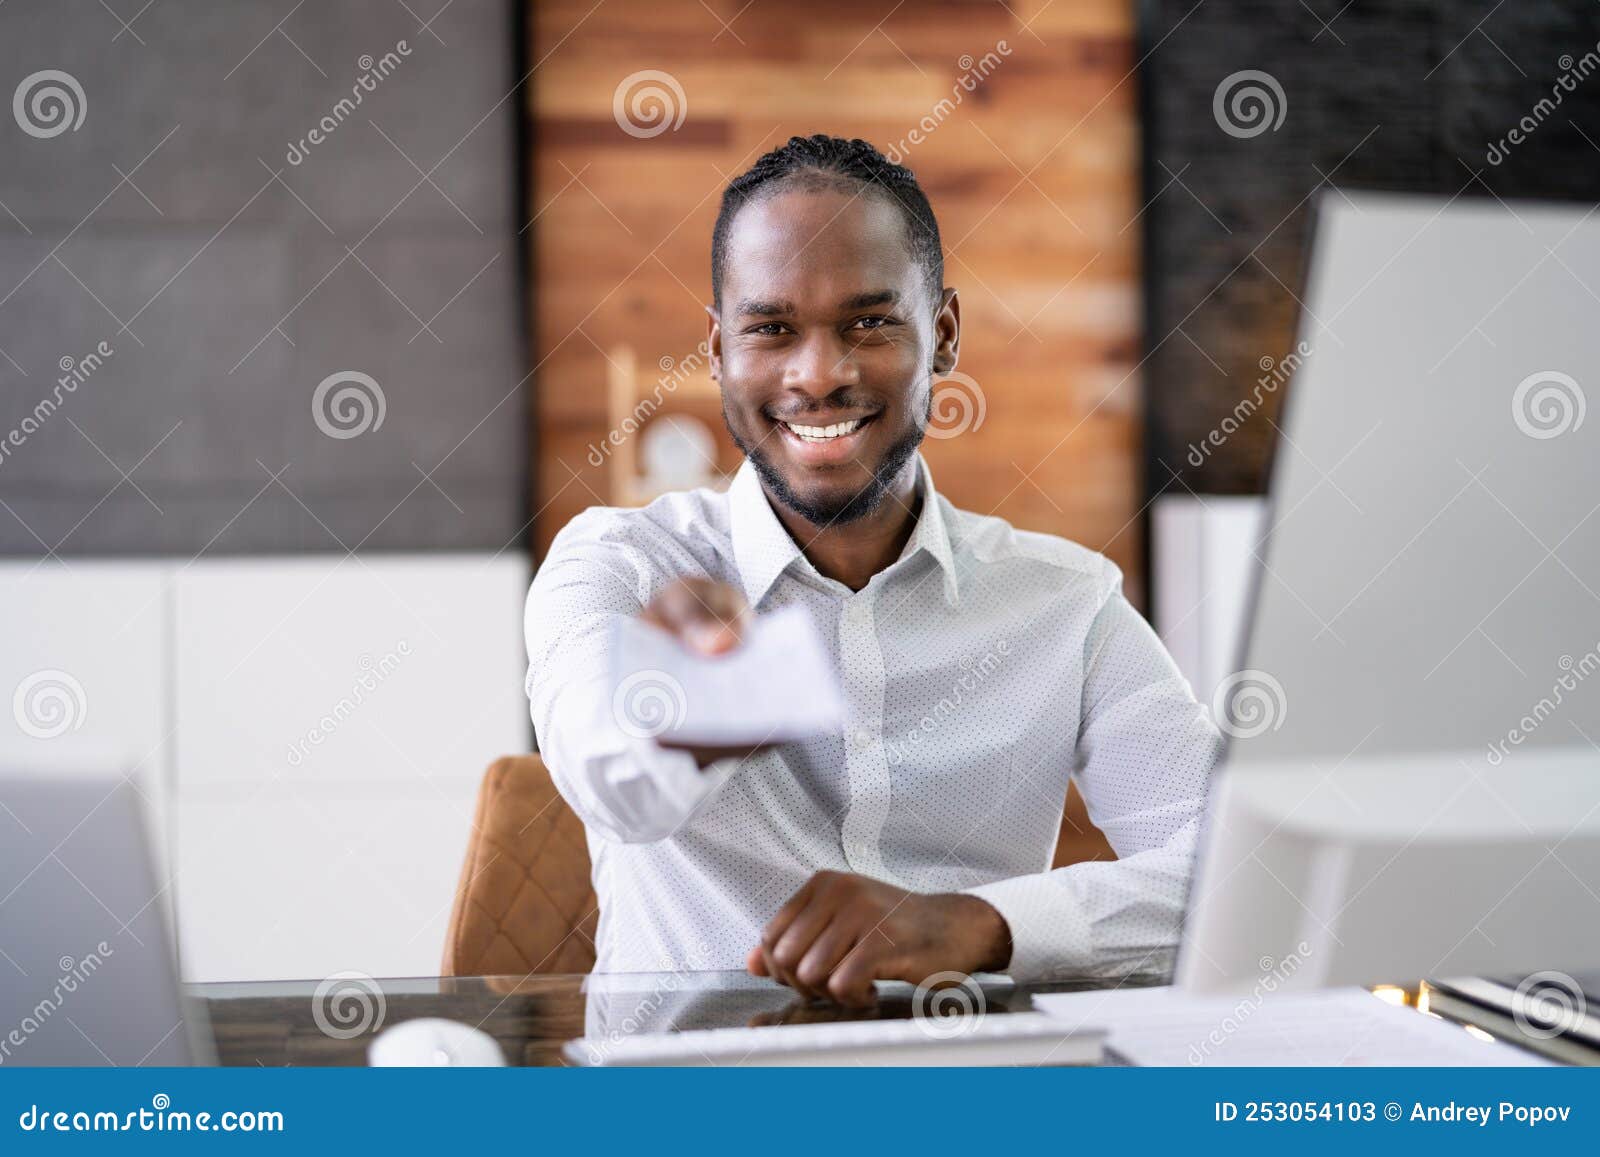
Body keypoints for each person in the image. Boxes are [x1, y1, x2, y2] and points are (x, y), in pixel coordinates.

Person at [525, 133, 1222, 1006]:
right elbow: (612, 785)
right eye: (771, 329)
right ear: (718, 348)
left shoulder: (1067, 603)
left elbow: (1246, 874)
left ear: (944, 334)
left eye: (869, 322)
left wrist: (982, 924)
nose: (819, 374)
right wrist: (684, 704)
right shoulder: (618, 563)